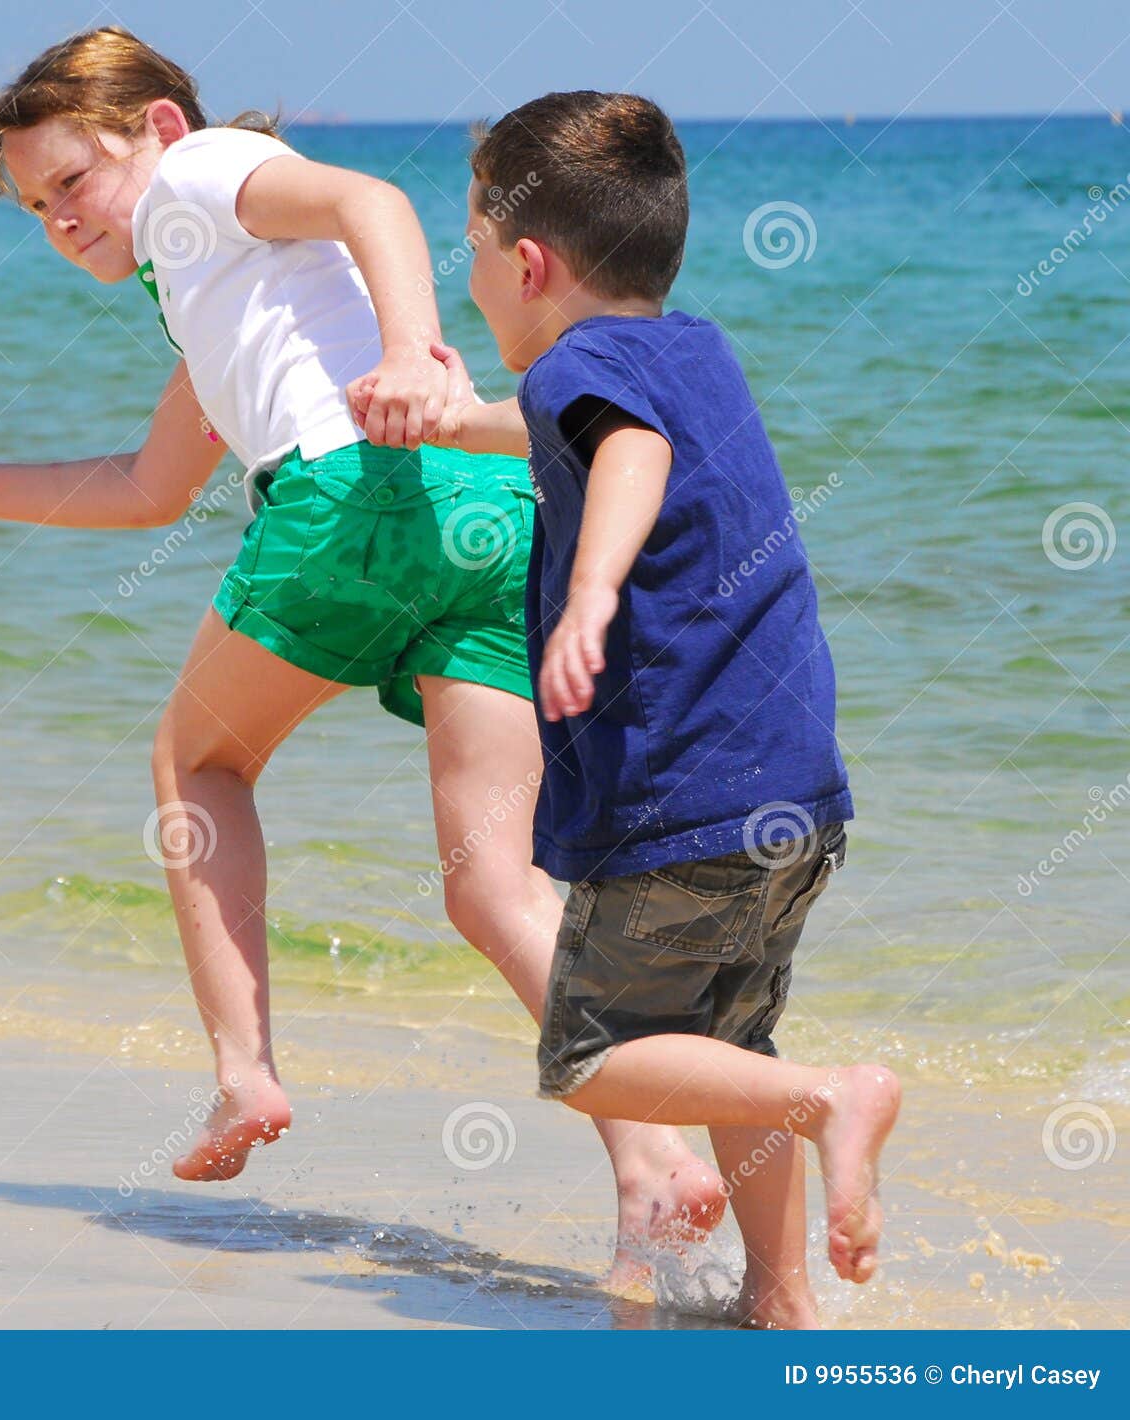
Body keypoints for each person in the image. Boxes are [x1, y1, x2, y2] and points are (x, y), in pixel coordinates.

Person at [0, 28, 725, 1278]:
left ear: (162, 132)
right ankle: (653, 1155)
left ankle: (244, 1074)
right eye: (35, 205)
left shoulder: (205, 176)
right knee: (492, 885)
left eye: (73, 181)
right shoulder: (215, 295)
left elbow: (374, 199)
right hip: (482, 512)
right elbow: (141, 488)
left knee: (197, 761)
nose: (58, 219)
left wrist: (408, 349)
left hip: (348, 499)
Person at [408, 90, 900, 1327]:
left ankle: (835, 1099)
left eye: (467, 252)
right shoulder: (692, 349)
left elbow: (621, 452)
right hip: (789, 791)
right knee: (737, 1053)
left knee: (585, 1058)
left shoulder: (583, 372)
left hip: (678, 797)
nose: (469, 279)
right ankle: (779, 1300)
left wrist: (588, 595)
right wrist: (438, 421)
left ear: (527, 262)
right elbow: (566, 434)